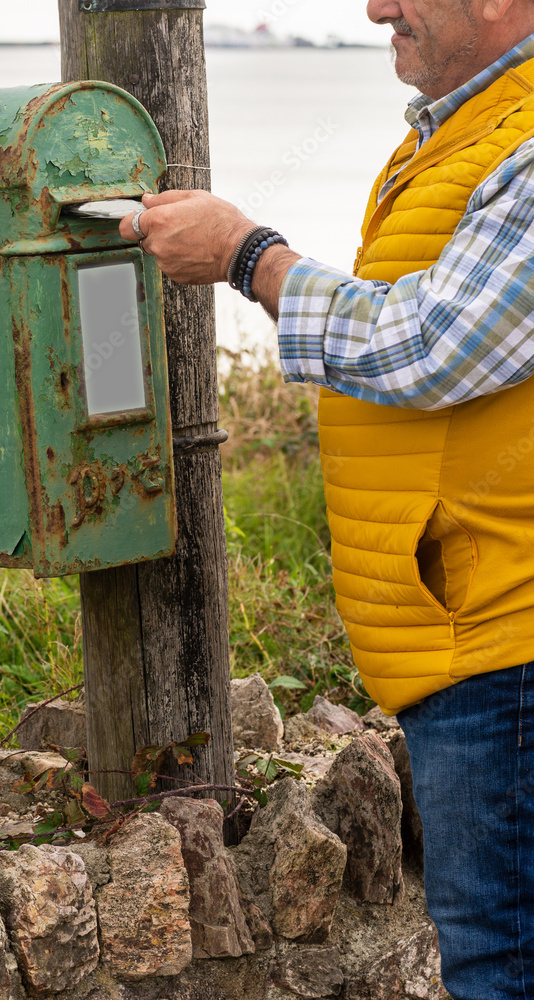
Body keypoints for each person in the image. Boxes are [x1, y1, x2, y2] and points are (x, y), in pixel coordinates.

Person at [120, 1, 534, 997]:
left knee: (501, 961)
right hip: (472, 635)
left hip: (504, 643)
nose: (376, 6)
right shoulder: (463, 137)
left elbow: (430, 345)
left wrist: (248, 255)